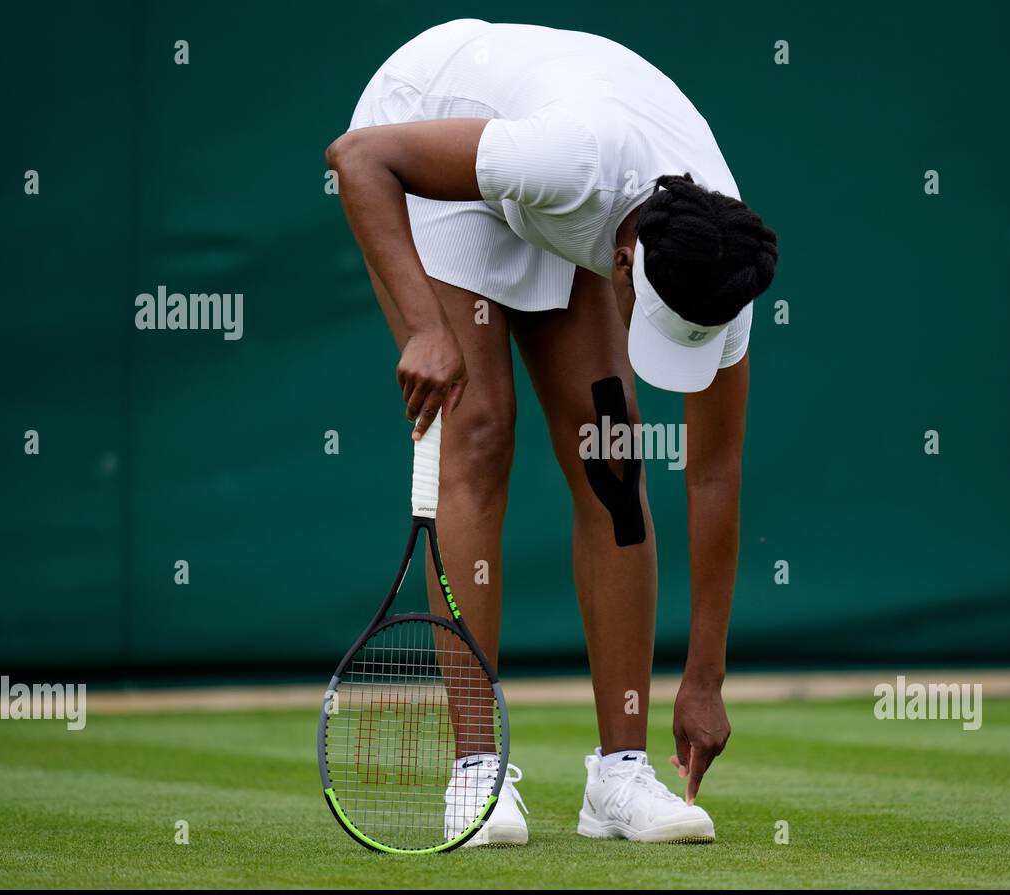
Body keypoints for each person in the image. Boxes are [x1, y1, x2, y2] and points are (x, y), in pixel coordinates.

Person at [327, 20, 778, 841]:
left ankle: (620, 777)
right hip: (431, 133)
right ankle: (477, 775)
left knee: (613, 453)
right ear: (625, 261)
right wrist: (428, 326)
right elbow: (358, 159)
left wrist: (706, 675)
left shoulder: (723, 263)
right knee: (482, 431)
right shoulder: (570, 160)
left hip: (557, 172)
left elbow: (715, 471)